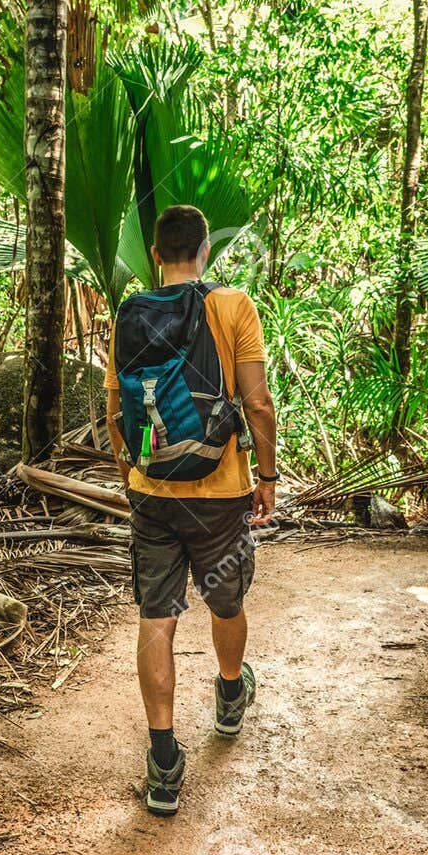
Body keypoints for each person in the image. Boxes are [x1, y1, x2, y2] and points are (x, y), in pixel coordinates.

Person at [105, 205, 279, 816]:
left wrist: (136, 472)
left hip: (151, 493)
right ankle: (230, 694)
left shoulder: (129, 314)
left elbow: (115, 417)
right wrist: (267, 476)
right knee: (225, 599)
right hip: (222, 490)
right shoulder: (233, 307)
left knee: (158, 616)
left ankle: (162, 761)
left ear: (155, 255)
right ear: (205, 252)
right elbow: (256, 403)